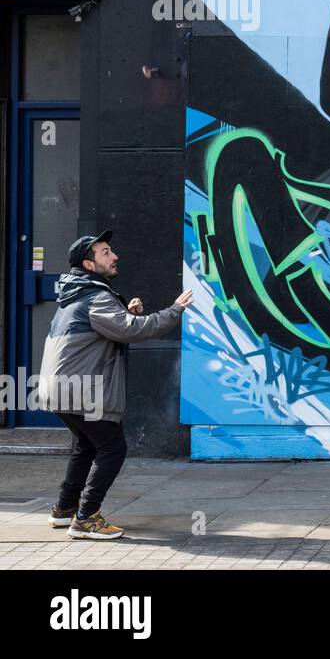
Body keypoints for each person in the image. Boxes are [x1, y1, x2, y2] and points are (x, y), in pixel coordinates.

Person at [37, 231, 193, 539]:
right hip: (81, 390)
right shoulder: (95, 296)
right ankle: (86, 518)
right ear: (89, 263)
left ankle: (65, 509)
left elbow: (110, 330)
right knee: (112, 448)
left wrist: (125, 315)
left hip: (60, 388)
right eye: (106, 252)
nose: (114, 256)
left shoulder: (75, 296)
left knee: (86, 446)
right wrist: (174, 310)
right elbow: (135, 331)